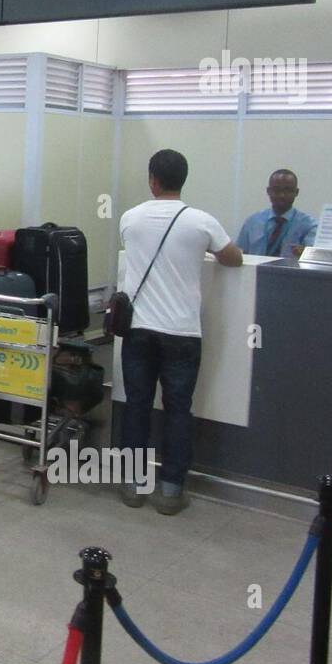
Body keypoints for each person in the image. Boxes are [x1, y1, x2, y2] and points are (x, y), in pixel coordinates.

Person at [117, 149, 243, 516]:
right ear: (182, 180)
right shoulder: (201, 221)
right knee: (177, 410)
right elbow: (232, 257)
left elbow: (133, 249)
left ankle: (132, 484)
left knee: (137, 406)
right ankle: (171, 489)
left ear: (152, 180)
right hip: (182, 333)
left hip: (139, 329)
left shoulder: (131, 218)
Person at [235, 168, 317, 259]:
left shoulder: (309, 225)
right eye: (276, 190)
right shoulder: (252, 222)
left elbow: (311, 258)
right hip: (254, 272)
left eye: (287, 190)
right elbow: (239, 255)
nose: (282, 195)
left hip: (290, 272)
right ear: (268, 191)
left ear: (296, 192)